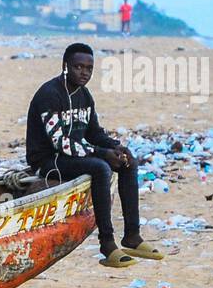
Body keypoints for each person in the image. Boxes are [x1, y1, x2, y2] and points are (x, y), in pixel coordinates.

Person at [25, 42, 163, 268]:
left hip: (72, 155)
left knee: (128, 162)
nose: (84, 72)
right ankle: (107, 245)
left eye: (89, 68)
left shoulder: (85, 95)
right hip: (49, 160)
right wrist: (102, 154)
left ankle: (132, 236)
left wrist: (115, 147)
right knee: (101, 168)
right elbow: (60, 143)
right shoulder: (48, 95)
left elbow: (93, 132)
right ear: (65, 66)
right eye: (78, 67)